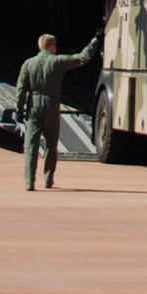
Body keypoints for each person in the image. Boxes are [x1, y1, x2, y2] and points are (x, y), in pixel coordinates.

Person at [14, 31, 97, 190]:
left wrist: (19, 109)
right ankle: (48, 179)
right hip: (51, 106)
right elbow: (82, 57)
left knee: (31, 145)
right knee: (51, 146)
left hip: (34, 107)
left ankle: (29, 181)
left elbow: (21, 89)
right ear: (51, 47)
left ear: (40, 46)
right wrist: (95, 40)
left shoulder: (28, 64)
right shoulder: (57, 62)